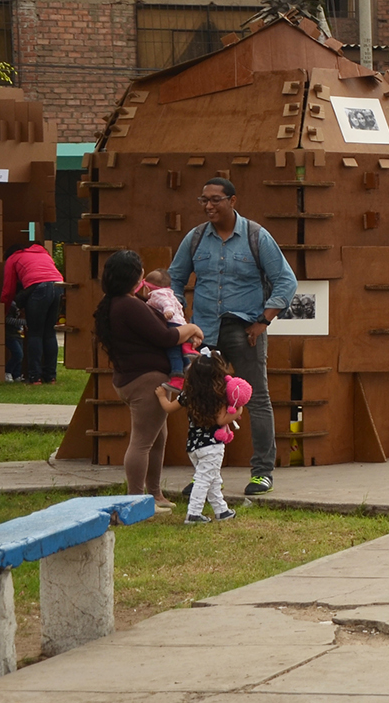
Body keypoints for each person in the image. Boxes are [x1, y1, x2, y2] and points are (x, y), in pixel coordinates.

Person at [169, 179, 294, 496]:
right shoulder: (196, 238)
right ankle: (205, 475)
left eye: (215, 200)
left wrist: (263, 321)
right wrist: (179, 316)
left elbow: (285, 281)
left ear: (233, 200)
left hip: (243, 331)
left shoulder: (255, 236)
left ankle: (262, 472)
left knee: (257, 398)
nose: (208, 206)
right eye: (203, 200)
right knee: (202, 401)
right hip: (204, 334)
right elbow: (175, 279)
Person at [95, 249, 203, 506]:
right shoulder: (130, 305)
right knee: (142, 442)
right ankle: (135, 500)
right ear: (134, 277)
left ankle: (154, 494)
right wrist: (193, 328)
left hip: (132, 378)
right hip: (145, 382)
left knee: (158, 437)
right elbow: (166, 337)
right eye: (141, 272)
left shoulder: (114, 303)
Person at [156, 350, 240, 524]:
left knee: (213, 478)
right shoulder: (218, 395)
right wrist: (239, 409)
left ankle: (221, 510)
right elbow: (221, 419)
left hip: (194, 445)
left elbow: (169, 408)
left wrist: (161, 396)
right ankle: (193, 513)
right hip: (212, 445)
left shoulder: (189, 394)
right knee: (204, 479)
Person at [1, 237, 65, 384]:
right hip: (59, 286)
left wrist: (3, 311)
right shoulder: (43, 254)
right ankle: (51, 376)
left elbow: (8, 290)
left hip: (38, 288)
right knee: (49, 333)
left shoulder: (13, 258)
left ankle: (35, 377)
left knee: (35, 333)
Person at [142, 268, 195, 380]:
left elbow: (165, 303)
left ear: (146, 288)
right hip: (180, 322)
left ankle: (177, 373)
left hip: (172, 323)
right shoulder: (170, 293)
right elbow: (179, 308)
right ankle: (187, 363)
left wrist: (168, 311)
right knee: (180, 349)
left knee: (173, 350)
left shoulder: (156, 294)